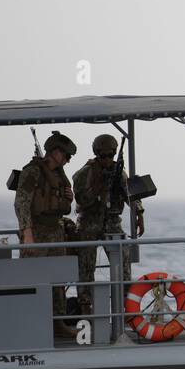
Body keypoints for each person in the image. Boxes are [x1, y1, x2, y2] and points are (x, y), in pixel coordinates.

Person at [72, 133, 145, 319]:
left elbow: (130, 193)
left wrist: (139, 213)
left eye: (110, 155)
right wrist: (99, 188)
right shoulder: (85, 173)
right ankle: (85, 306)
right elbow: (80, 198)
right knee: (85, 267)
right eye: (103, 156)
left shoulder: (118, 172)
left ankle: (125, 306)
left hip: (112, 222)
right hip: (89, 222)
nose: (107, 160)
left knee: (123, 262)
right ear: (96, 154)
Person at [14, 130, 78, 338]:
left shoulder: (59, 175)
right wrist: (27, 233)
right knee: (32, 279)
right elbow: (21, 204)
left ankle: (57, 323)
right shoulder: (32, 172)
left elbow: (65, 204)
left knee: (58, 280)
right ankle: (30, 323)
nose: (68, 161)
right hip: (37, 232)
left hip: (55, 231)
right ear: (56, 153)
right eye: (66, 156)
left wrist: (69, 197)